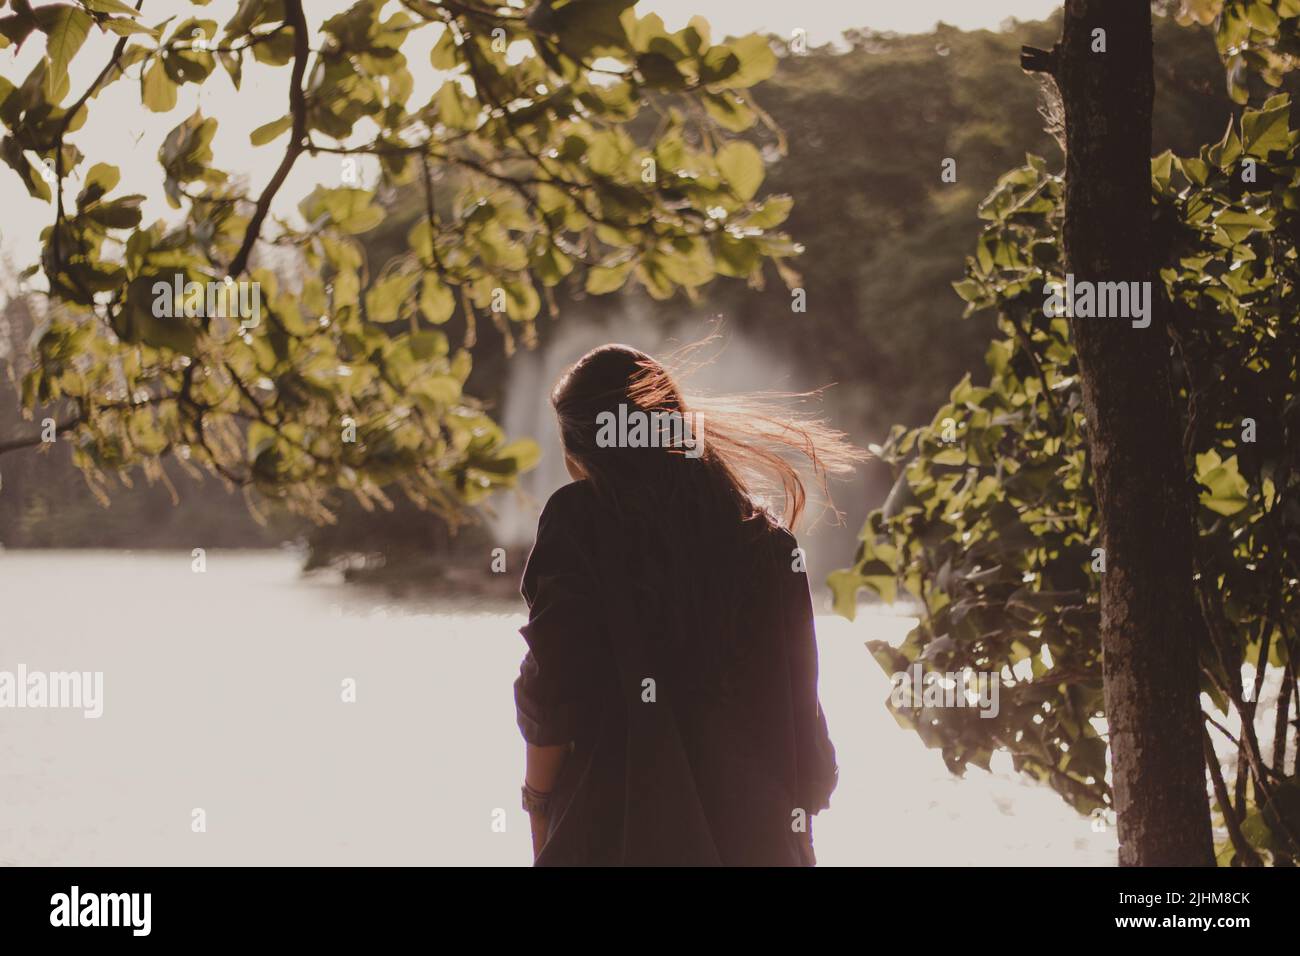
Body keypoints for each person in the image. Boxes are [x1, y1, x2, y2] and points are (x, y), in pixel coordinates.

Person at [514, 343, 862, 865]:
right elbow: (803, 725)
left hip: (613, 835)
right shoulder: (767, 544)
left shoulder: (579, 522)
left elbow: (553, 692)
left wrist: (537, 803)